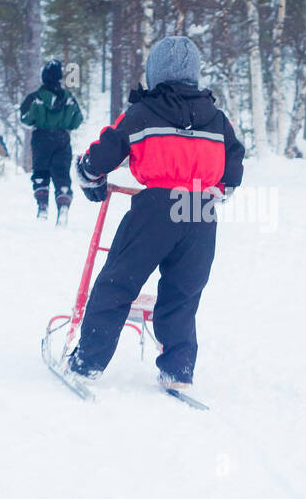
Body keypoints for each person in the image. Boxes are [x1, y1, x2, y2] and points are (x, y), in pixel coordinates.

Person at [67, 35, 245, 390]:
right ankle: (178, 370)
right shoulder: (216, 117)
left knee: (117, 283)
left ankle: (88, 362)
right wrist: (215, 189)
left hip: (156, 209)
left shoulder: (143, 112)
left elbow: (104, 152)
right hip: (200, 211)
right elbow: (234, 165)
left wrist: (88, 173)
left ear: (155, 72)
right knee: (183, 293)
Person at [20, 60, 84, 224]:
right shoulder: (69, 98)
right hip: (62, 138)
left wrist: (38, 119)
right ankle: (63, 206)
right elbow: (77, 120)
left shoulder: (35, 98)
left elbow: (25, 119)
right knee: (62, 173)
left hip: (41, 138)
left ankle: (42, 208)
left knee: (40, 171)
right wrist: (65, 123)